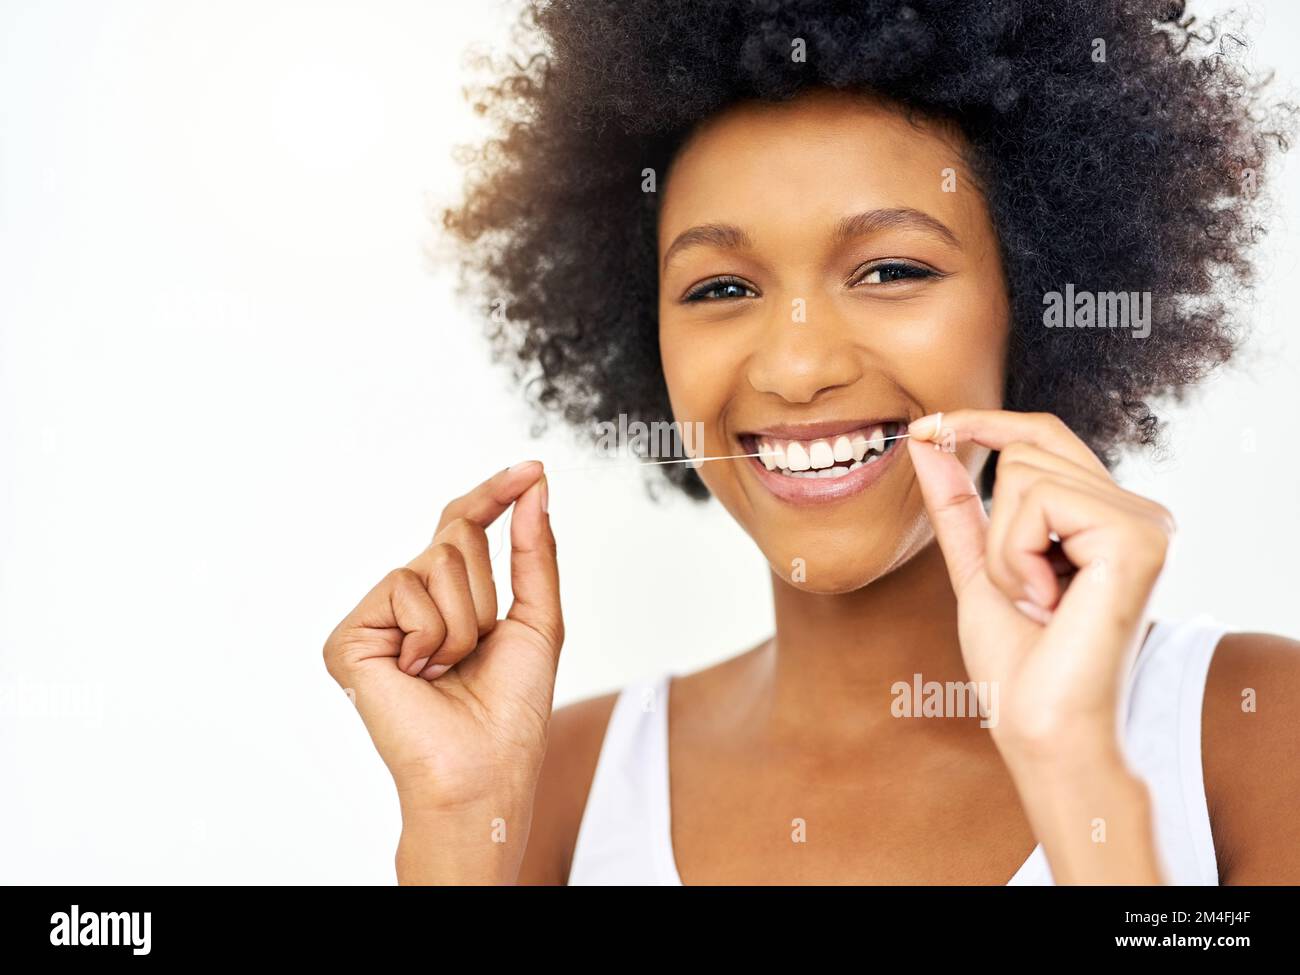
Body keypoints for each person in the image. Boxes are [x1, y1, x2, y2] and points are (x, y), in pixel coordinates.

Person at [324, 0, 1299, 884]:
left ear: (1033, 303)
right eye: (720, 289)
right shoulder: (554, 784)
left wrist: (1078, 770)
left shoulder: (1253, 731)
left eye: (888, 270)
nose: (794, 368)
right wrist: (461, 830)